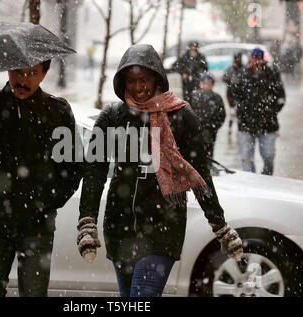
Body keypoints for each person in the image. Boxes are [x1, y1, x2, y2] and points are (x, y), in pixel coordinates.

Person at [76, 44, 242, 297]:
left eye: (144, 79)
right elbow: (95, 170)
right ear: (122, 82)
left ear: (157, 79)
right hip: (120, 227)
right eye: (131, 81)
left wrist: (219, 224)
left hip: (163, 227)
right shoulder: (113, 116)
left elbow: (199, 175)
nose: (138, 87)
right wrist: (87, 220)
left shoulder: (181, 116)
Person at [0, 60, 83, 297]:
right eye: (17, 71)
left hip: (37, 227)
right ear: (8, 69)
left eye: (32, 73)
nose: (22, 80)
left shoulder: (58, 111)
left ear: (44, 74)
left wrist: (48, 201)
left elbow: (74, 166)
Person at [230, 47, 285, 175]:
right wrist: (241, 110)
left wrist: (271, 111)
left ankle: (266, 180)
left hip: (268, 124)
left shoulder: (271, 74)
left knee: (268, 156)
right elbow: (233, 93)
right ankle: (251, 184)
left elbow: (281, 96)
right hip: (245, 124)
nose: (251, 60)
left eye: (253, 58)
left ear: (260, 60)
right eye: (250, 58)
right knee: (246, 158)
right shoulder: (242, 73)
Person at [191, 72, 226, 162]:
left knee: (209, 152)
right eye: (204, 83)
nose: (206, 86)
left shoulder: (217, 98)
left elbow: (222, 115)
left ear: (212, 84)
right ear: (200, 84)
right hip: (195, 131)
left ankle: (208, 167)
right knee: (194, 154)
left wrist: (213, 127)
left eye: (209, 83)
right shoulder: (193, 96)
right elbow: (187, 113)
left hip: (210, 131)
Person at [173, 41, 208, 105]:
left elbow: (204, 68)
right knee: (187, 96)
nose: (193, 48)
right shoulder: (184, 56)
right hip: (186, 81)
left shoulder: (201, 57)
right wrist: (183, 73)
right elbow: (177, 66)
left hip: (197, 80)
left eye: (194, 46)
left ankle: (196, 107)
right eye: (191, 46)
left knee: (197, 96)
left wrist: (198, 74)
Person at [222, 53, 244, 135]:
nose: (237, 62)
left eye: (238, 60)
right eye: (236, 60)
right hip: (230, 94)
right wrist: (230, 80)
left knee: (241, 111)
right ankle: (230, 127)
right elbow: (223, 78)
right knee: (232, 111)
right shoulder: (230, 69)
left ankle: (240, 127)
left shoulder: (244, 69)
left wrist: (240, 82)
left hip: (242, 94)